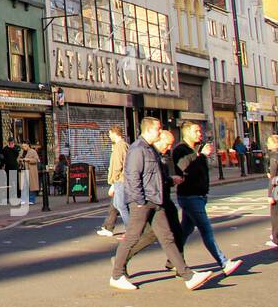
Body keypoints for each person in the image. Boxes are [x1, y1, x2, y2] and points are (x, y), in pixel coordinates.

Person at [109, 118, 212, 292]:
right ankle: (117, 275)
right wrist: (140, 202)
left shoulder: (150, 150)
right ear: (149, 130)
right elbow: (132, 177)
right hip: (143, 202)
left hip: (156, 201)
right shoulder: (137, 149)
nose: (160, 131)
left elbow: (154, 177)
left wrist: (170, 180)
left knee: (167, 238)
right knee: (132, 237)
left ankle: (188, 276)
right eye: (158, 129)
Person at [172, 123, 242, 276]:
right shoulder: (180, 150)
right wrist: (201, 155)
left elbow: (201, 170)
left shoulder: (195, 150)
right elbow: (186, 169)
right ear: (186, 133)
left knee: (186, 229)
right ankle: (224, 263)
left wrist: (202, 156)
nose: (199, 133)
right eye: (196, 131)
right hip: (190, 196)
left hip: (199, 196)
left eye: (200, 131)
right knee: (206, 230)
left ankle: (173, 260)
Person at [97, 128, 130, 237]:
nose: (109, 136)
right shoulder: (124, 145)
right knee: (116, 204)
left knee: (121, 206)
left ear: (115, 134)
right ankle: (108, 228)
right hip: (122, 180)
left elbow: (117, 166)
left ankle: (131, 230)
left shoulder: (119, 147)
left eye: (110, 134)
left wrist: (113, 183)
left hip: (120, 180)